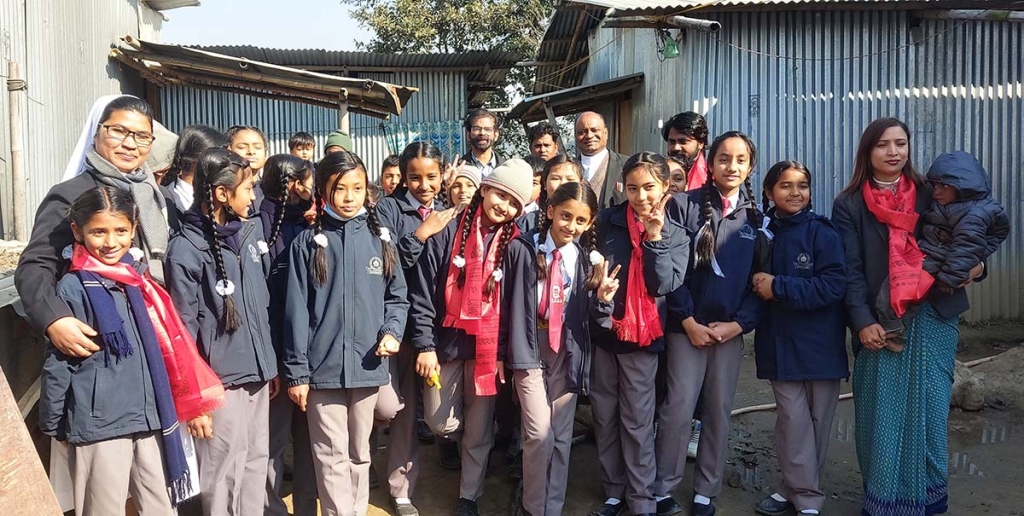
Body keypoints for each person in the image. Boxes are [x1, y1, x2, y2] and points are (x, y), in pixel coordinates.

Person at [831, 118, 985, 516]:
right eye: (883, 144)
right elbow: (850, 270)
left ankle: (928, 501)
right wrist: (862, 321)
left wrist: (978, 266)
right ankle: (884, 501)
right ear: (868, 151)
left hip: (934, 313)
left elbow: (973, 231)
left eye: (900, 143)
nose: (893, 152)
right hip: (882, 322)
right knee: (880, 414)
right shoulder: (850, 204)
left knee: (930, 409)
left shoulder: (931, 193)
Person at [39, 186, 224, 515]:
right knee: (103, 508)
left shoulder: (140, 282)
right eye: (98, 232)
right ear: (77, 231)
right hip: (100, 423)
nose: (111, 242)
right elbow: (59, 363)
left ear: (134, 229)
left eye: (120, 231)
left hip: (151, 417)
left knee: (161, 507)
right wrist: (54, 423)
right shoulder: (73, 288)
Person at [283, 150, 409, 516]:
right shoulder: (306, 244)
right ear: (323, 190)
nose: (349, 197)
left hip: (367, 367)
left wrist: (391, 331)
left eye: (357, 188)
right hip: (321, 371)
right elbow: (295, 312)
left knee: (359, 452)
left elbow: (397, 297)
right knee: (330, 454)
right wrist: (297, 373)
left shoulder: (380, 240)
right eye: (340, 188)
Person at [408, 159, 534, 516]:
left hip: (487, 350)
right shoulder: (447, 229)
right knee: (440, 422)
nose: (504, 206)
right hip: (446, 343)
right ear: (485, 189)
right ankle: (465, 444)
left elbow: (514, 307)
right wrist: (425, 344)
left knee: (478, 430)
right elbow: (422, 292)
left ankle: (469, 496)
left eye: (513, 203)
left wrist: (503, 353)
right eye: (500, 195)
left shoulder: (514, 245)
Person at [656, 132, 765, 516]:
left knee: (718, 410)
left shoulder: (757, 218)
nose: (731, 166)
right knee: (678, 408)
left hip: (729, 332)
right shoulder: (681, 206)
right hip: (686, 328)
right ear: (710, 163)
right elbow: (670, 271)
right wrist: (686, 319)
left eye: (740, 160)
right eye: (723, 158)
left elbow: (759, 281)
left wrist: (739, 325)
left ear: (750, 167)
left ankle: (706, 489)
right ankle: (663, 487)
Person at [164, 148, 278, 516]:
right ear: (221, 193)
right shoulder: (186, 250)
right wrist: (195, 399)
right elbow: (183, 331)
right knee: (221, 469)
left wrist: (269, 366)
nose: (253, 197)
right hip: (217, 385)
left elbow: (262, 307)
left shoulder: (249, 233)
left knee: (255, 460)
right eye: (247, 189)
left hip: (257, 375)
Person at [17, 95, 170, 362]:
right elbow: (37, 263)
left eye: (142, 136)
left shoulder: (160, 198)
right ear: (97, 132)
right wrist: (54, 318)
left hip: (159, 328)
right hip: (101, 334)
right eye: (118, 131)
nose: (130, 144)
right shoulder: (72, 195)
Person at [500, 181, 610, 516]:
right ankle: (533, 506)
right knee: (538, 433)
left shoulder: (587, 261)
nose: (571, 226)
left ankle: (552, 507)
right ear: (549, 211)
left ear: (589, 223)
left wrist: (603, 300)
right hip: (529, 348)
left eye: (581, 220)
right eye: (565, 216)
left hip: (567, 351)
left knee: (561, 436)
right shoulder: (522, 250)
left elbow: (596, 318)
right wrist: (502, 352)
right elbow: (505, 305)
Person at [588, 152, 688, 516]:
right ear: (623, 188)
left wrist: (655, 237)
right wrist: (598, 292)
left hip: (643, 341)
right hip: (604, 331)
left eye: (649, 187)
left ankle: (642, 498)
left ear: (665, 187)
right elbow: (589, 269)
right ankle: (614, 491)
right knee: (604, 416)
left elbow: (663, 284)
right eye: (632, 188)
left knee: (637, 420)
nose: (641, 196)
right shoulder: (606, 221)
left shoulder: (675, 233)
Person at [749, 161, 848, 516]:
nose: (795, 193)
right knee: (792, 420)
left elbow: (833, 286)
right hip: (779, 342)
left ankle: (792, 489)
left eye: (802, 185)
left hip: (820, 343)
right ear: (768, 192)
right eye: (785, 185)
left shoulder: (823, 233)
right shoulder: (759, 232)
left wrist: (780, 286)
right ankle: (806, 497)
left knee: (818, 422)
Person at [375, 141, 465, 515]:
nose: (423, 185)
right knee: (389, 408)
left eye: (431, 177)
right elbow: (384, 265)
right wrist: (420, 235)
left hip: (433, 330)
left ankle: (404, 487)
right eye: (414, 178)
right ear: (404, 177)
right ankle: (366, 469)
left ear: (443, 175)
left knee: (419, 414)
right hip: (395, 328)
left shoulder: (450, 213)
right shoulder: (388, 209)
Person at [258, 155, 318, 516]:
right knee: (274, 441)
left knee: (310, 441)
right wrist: (272, 362)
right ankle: (271, 508)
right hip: (278, 351)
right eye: (305, 180)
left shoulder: (315, 223)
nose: (310, 186)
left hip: (312, 352)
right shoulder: (260, 226)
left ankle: (307, 507)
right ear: (292, 184)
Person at [918, 151, 1008, 305]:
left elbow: (969, 244)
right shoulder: (947, 201)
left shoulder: (973, 213)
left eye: (944, 186)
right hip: (920, 270)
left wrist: (971, 268)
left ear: (963, 187)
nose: (936, 192)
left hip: (941, 289)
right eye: (935, 186)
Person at [161, 125, 231, 232]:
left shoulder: (223, 194)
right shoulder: (166, 202)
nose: (229, 164)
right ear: (203, 160)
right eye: (223, 157)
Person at [518, 154, 584, 234]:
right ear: (544, 184)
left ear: (581, 184)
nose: (563, 184)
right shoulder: (528, 221)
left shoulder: (590, 221)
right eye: (555, 178)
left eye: (570, 179)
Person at [575, 111, 627, 208]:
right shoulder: (569, 169)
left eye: (594, 130)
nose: (589, 136)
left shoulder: (627, 165)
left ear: (606, 133)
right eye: (582, 132)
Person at [662, 111, 709, 192]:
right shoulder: (656, 172)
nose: (676, 147)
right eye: (672, 142)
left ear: (700, 143)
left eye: (683, 141)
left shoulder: (710, 178)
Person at [462, 109, 502, 177]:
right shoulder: (458, 168)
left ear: (496, 135)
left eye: (488, 129)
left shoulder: (507, 168)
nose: (482, 133)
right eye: (477, 129)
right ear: (468, 135)